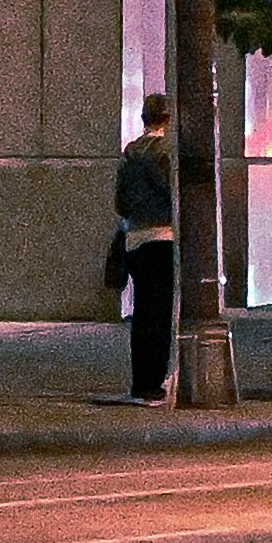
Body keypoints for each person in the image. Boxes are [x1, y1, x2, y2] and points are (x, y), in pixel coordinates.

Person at [108, 92, 176, 400]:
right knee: (160, 314)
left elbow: (120, 202)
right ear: (167, 119)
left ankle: (139, 380)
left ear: (143, 118)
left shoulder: (129, 153)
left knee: (141, 312)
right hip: (162, 238)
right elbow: (171, 193)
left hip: (135, 240)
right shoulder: (166, 153)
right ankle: (154, 383)